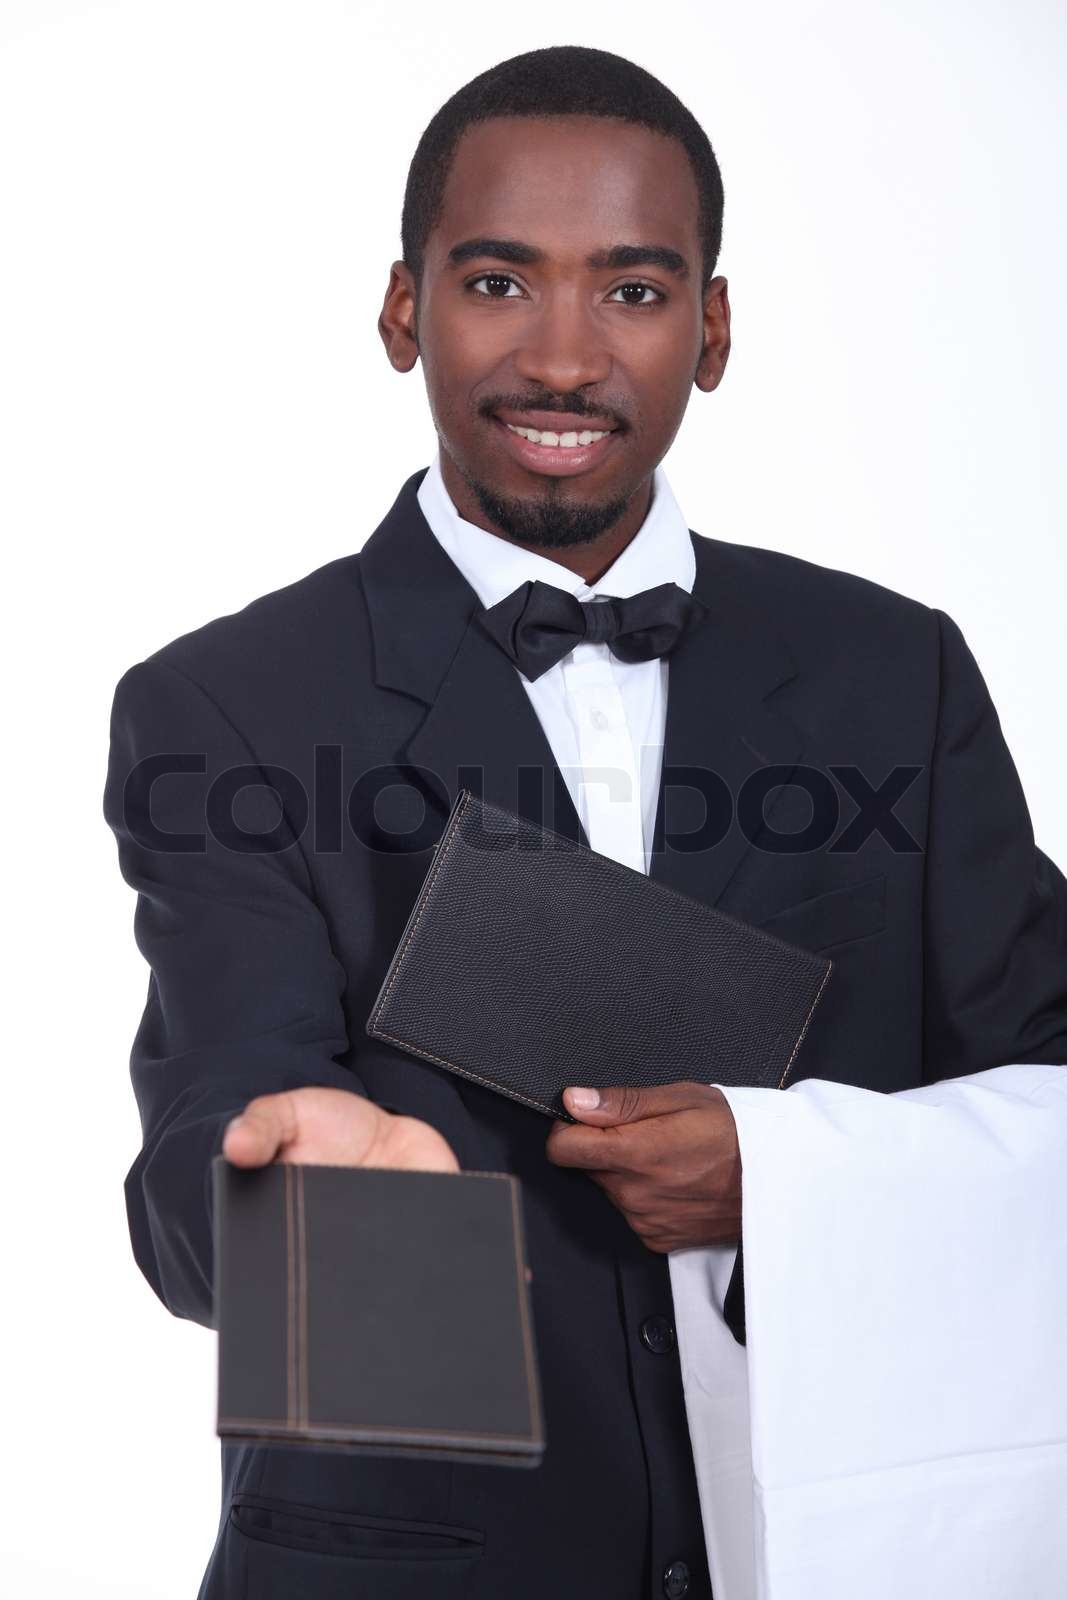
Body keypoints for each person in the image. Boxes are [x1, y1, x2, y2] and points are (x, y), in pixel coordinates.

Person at [104, 45, 1067, 1600]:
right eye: (498, 282)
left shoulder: (902, 677)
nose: (563, 356)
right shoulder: (227, 704)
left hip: (845, 1552)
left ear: (715, 326)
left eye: (630, 290)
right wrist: (290, 1193)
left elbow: (1049, 1098)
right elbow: (196, 1166)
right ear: (404, 308)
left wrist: (786, 1171)